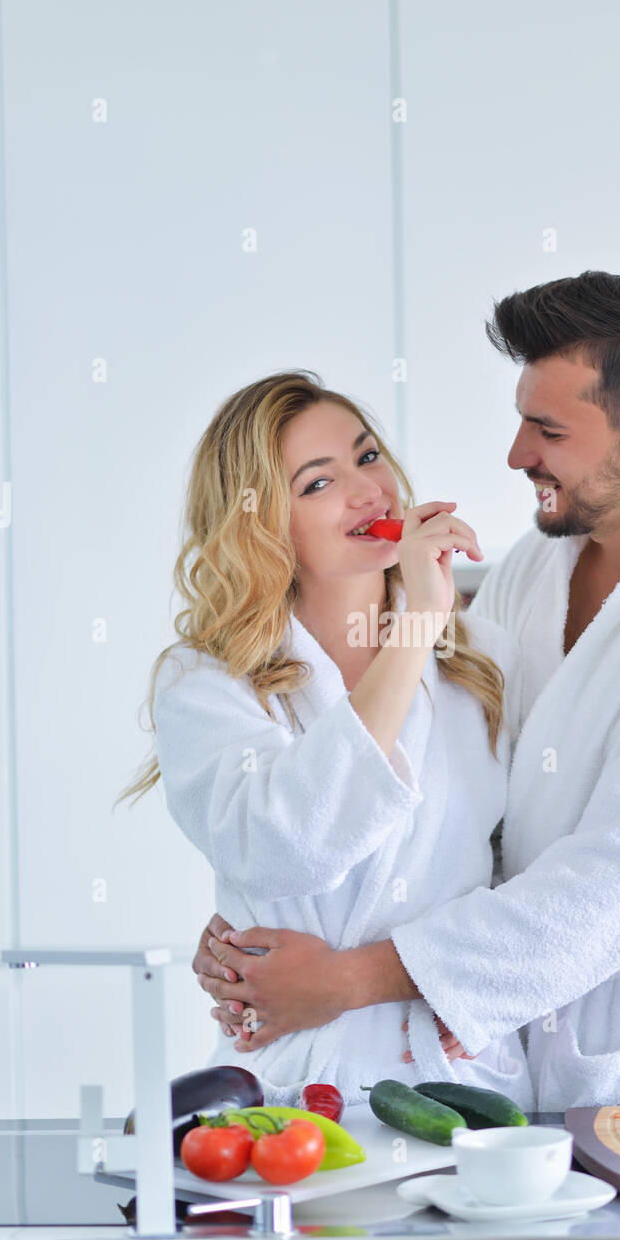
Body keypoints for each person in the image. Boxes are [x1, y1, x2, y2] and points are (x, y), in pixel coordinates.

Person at [195, 271, 620, 1108]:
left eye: (547, 429)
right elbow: (465, 796)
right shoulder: (539, 565)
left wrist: (352, 978)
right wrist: (280, 922)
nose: (516, 455)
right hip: (503, 1032)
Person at [116, 369, 534, 1111]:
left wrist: (475, 984)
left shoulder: (487, 659)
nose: (368, 492)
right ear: (260, 524)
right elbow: (283, 846)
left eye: (367, 457)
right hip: (297, 1085)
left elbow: (527, 873)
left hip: (456, 1073)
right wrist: (414, 630)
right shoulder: (208, 682)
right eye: (317, 483)